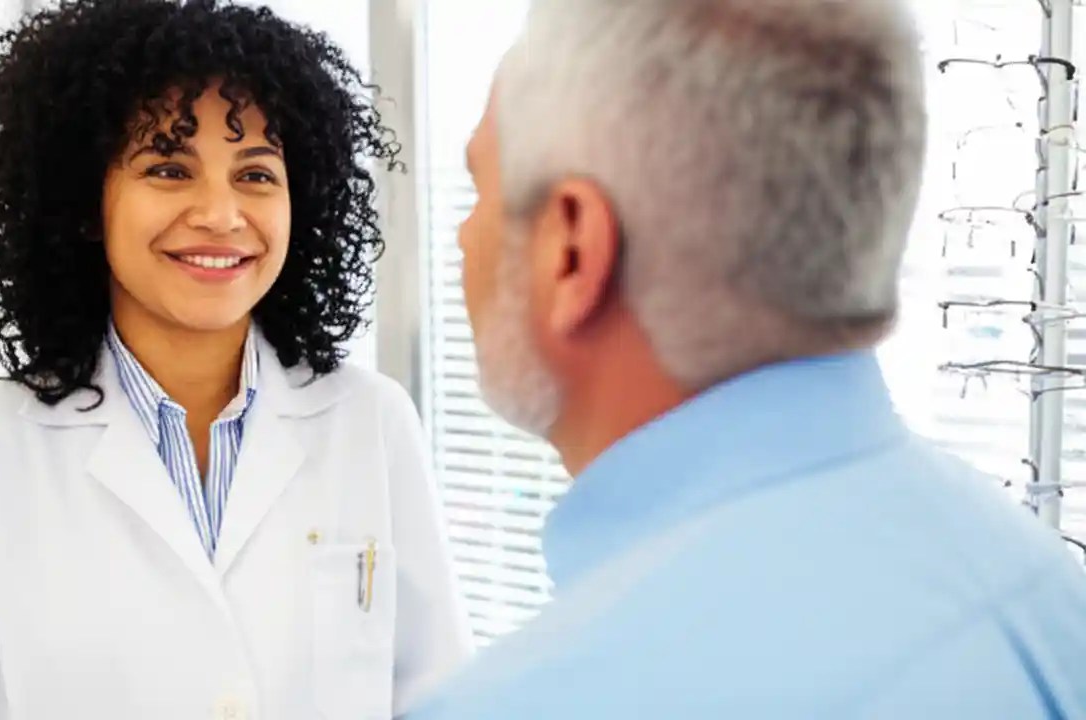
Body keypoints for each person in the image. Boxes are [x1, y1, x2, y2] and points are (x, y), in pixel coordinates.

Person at [409, 0, 1086, 717]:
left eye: (479, 188)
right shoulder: (1043, 594)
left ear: (572, 250)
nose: (461, 237)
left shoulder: (528, 701)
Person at [0, 1, 471, 718]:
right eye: (169, 167)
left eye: (256, 175)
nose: (222, 214)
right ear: (83, 201)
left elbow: (444, 699)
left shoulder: (371, 422)